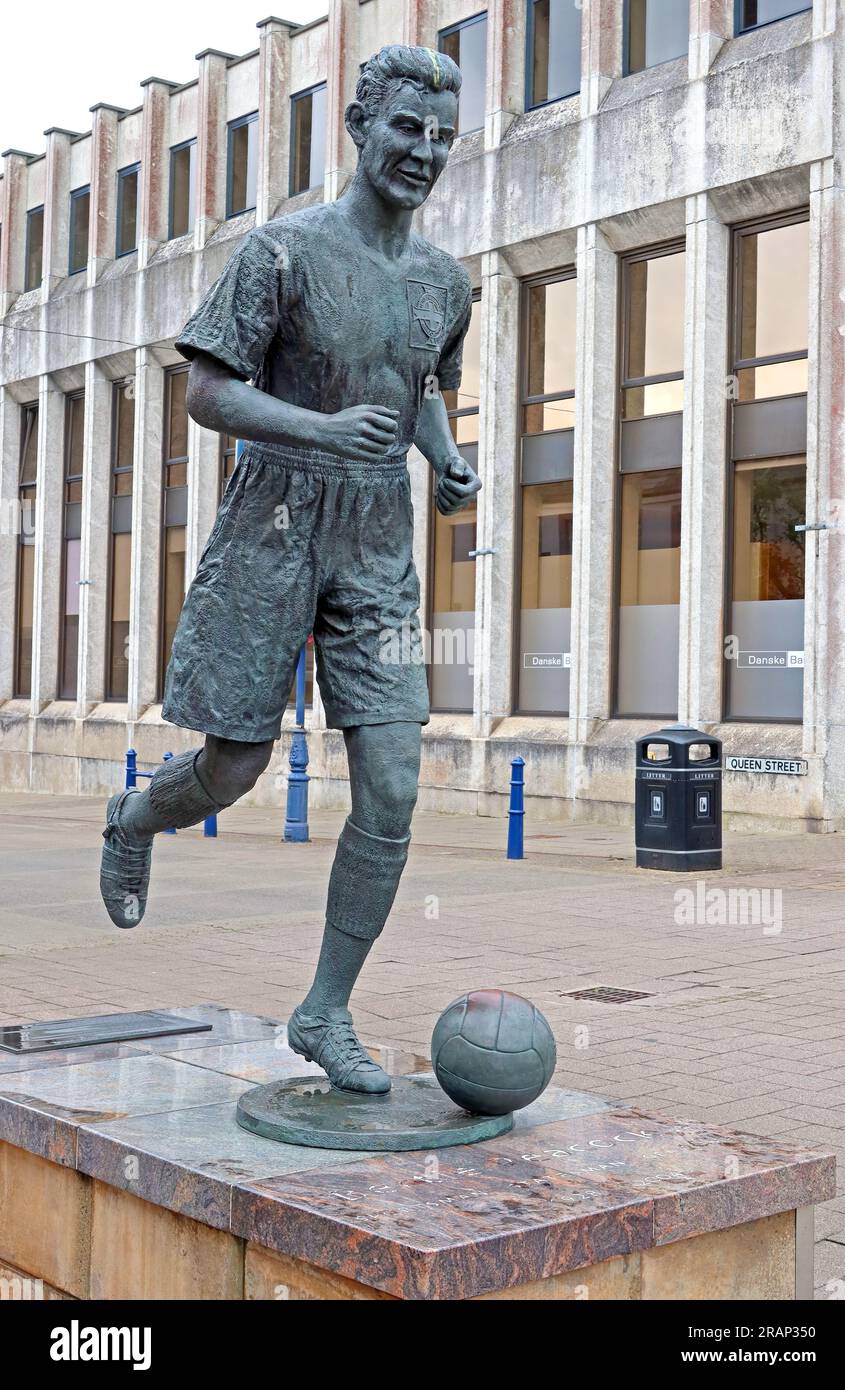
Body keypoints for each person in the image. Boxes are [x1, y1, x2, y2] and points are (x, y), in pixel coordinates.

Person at [99, 44, 481, 1095]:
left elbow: (422, 390)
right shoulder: (279, 254)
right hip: (269, 528)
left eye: (442, 135)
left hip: (377, 551)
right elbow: (208, 393)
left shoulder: (447, 284)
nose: (424, 150)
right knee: (232, 768)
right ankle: (134, 820)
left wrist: (444, 459)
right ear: (360, 128)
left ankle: (324, 1010)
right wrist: (319, 429)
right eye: (407, 128)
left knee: (394, 783)